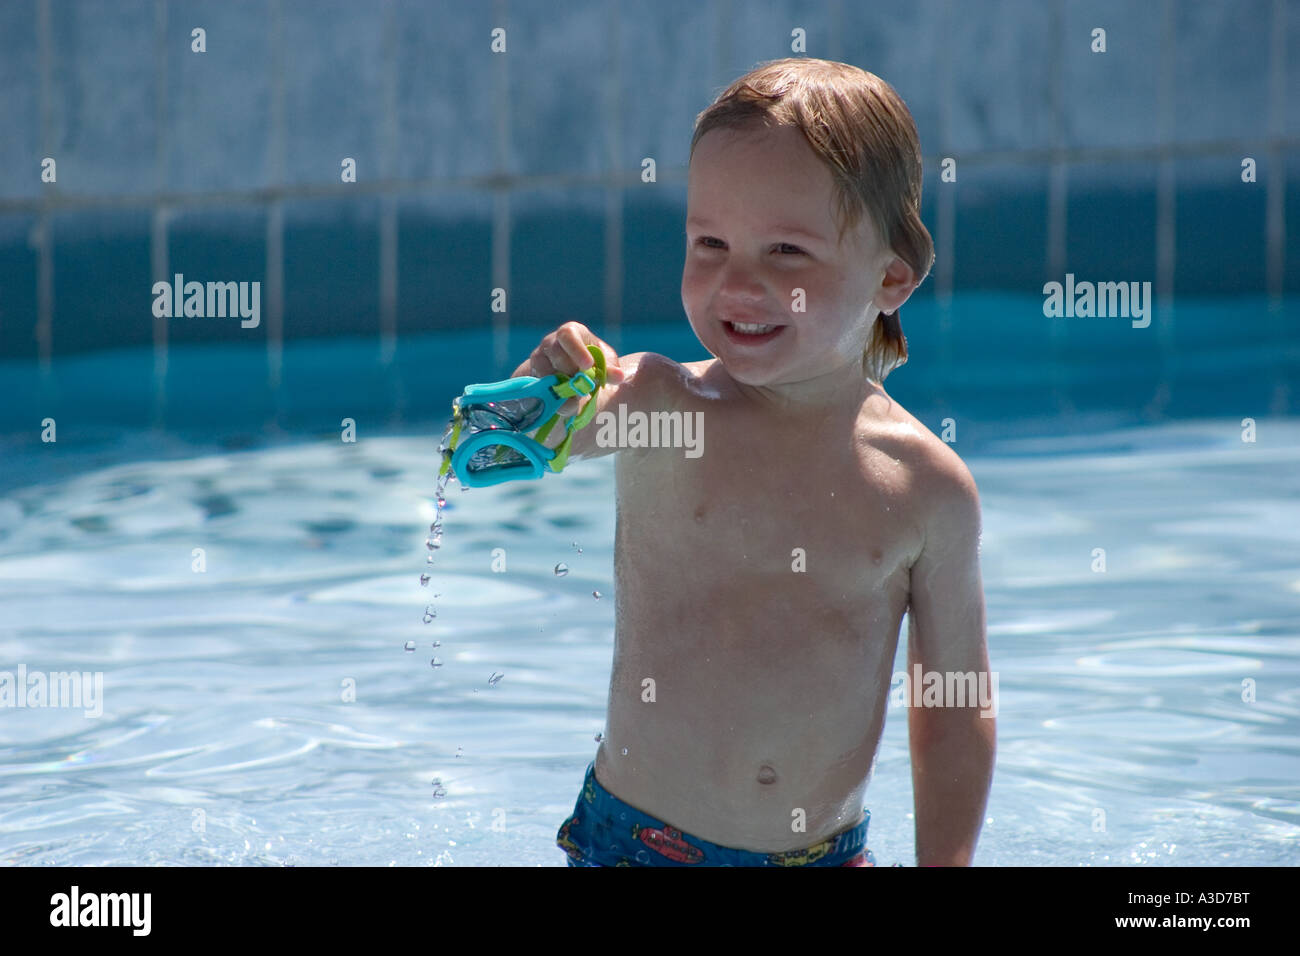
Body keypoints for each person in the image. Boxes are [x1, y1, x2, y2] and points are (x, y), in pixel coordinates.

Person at [522, 58, 994, 866]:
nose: (737, 283)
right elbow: (522, 439)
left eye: (785, 251)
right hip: (632, 847)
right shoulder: (659, 405)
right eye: (710, 242)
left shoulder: (924, 489)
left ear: (891, 276)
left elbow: (952, 707)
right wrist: (549, 383)